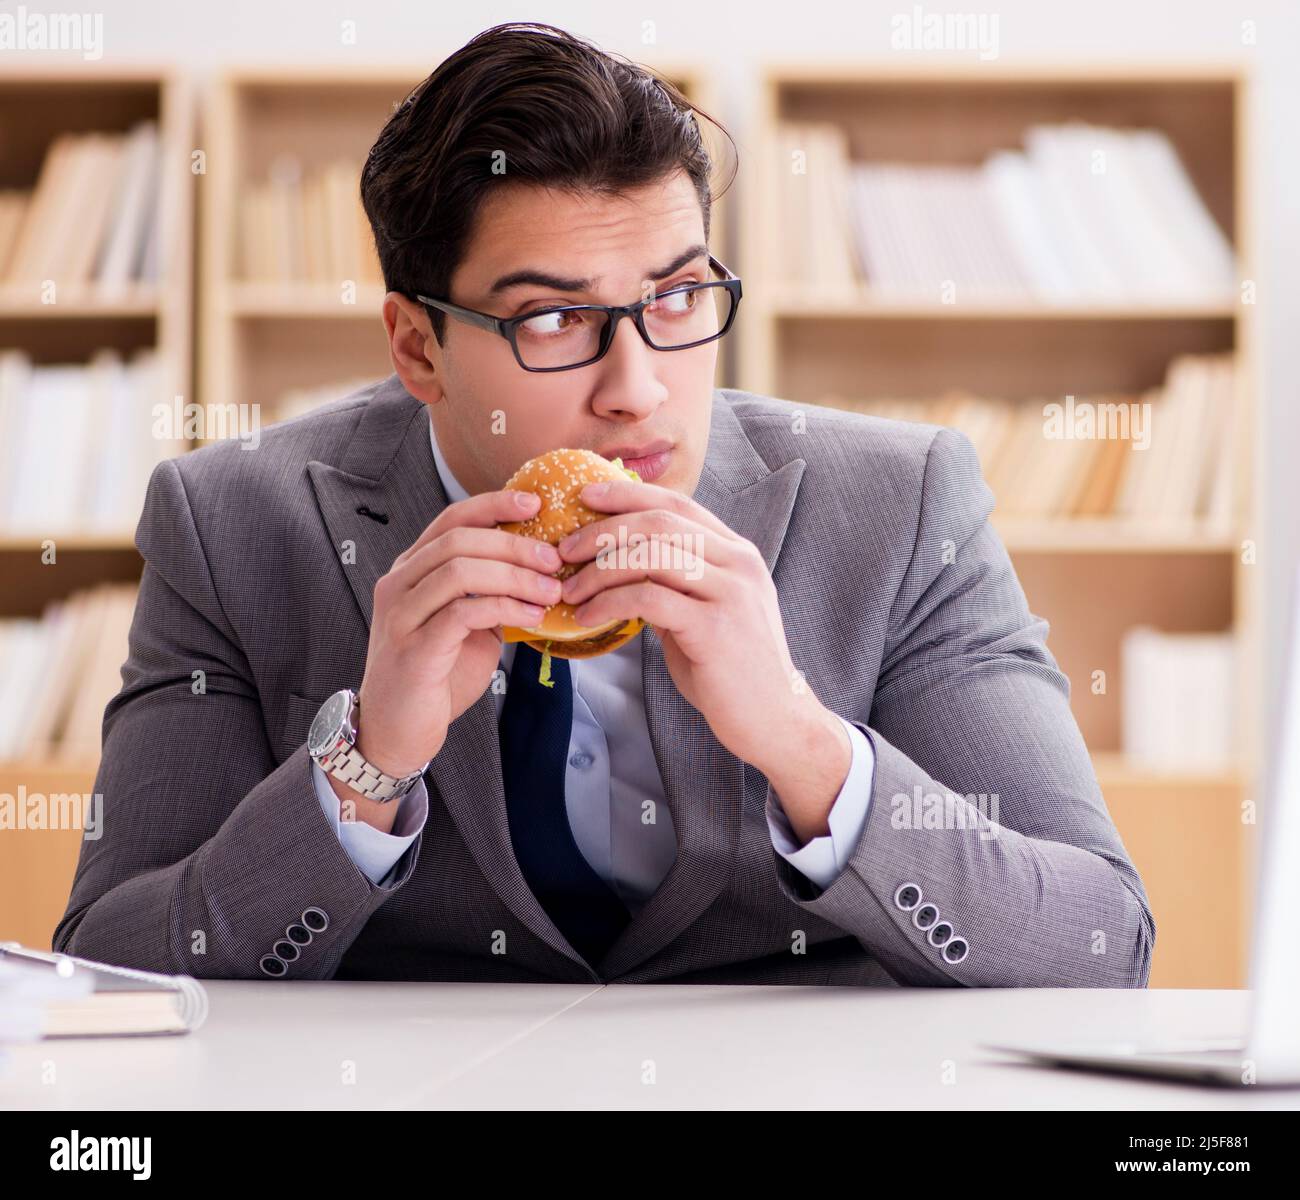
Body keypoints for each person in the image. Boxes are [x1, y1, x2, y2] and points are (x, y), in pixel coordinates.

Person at [55, 22, 1153, 987]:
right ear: (416, 346)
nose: (637, 389)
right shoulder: (232, 523)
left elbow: (1099, 942)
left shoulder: (901, 506)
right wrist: (364, 767)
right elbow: (112, 961)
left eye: (675, 297)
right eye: (552, 322)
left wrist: (802, 745)